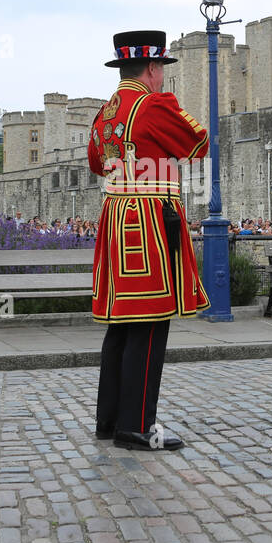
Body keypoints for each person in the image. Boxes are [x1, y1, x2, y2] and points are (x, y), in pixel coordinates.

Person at [89, 30, 209, 451]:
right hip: (149, 221)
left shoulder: (105, 112)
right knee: (150, 322)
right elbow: (199, 144)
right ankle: (137, 424)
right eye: (162, 71)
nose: (162, 79)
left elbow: (95, 164)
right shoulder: (155, 104)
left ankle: (109, 420)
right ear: (153, 69)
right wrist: (171, 105)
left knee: (121, 323)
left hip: (115, 218)